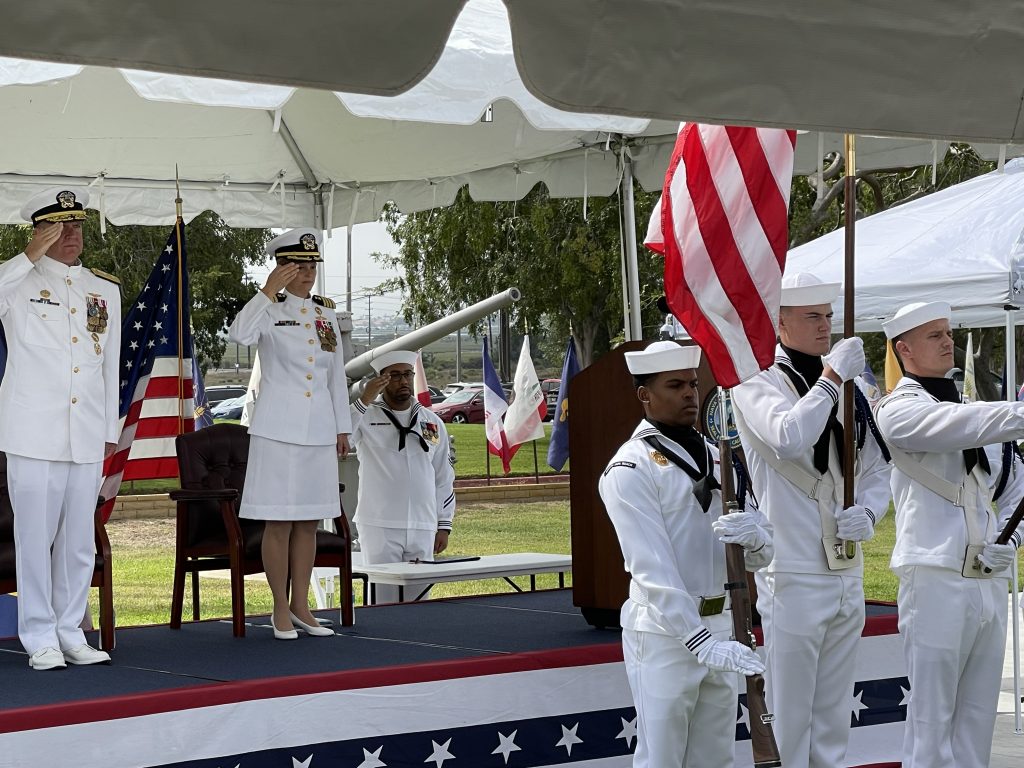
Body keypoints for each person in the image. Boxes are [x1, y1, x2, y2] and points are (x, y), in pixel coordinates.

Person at [731, 272, 892, 767]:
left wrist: (867, 509)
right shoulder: (755, 382)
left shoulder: (846, 389)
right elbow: (789, 436)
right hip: (793, 569)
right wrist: (831, 380)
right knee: (792, 720)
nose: (825, 327)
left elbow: (877, 467)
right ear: (780, 323)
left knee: (832, 722)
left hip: (845, 569)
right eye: (812, 318)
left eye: (827, 316)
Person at [598, 340, 774, 767]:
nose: (689, 394)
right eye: (675, 385)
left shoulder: (719, 458)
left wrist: (756, 537)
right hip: (666, 633)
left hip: (722, 626)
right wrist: (699, 641)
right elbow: (651, 567)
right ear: (645, 395)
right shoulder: (630, 468)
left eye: (693, 384)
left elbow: (763, 550)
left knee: (714, 758)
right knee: (663, 758)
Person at [875, 301, 1024, 768]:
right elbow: (956, 428)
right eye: (935, 334)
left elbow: (1017, 484)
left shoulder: (971, 411)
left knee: (976, 722)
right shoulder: (899, 410)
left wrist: (1010, 541)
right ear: (905, 349)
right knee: (931, 723)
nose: (948, 341)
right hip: (934, 576)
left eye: (948, 332)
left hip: (987, 579)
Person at [0, 187, 121, 669]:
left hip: (86, 428)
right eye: (60, 226)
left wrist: (109, 426)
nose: (72, 235)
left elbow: (107, 363)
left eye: (77, 226)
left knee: (77, 541)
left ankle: (71, 631)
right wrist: (28, 255)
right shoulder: (20, 280)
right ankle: (38, 636)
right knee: (35, 537)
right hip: (33, 430)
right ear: (40, 231)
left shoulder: (103, 288)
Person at [228, 229, 352, 641]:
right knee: (278, 523)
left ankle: (302, 604)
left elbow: (335, 377)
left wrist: (341, 427)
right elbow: (239, 334)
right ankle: (279, 608)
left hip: (317, 430)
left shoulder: (326, 314)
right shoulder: (268, 309)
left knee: (308, 521)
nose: (307, 272)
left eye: (312, 264)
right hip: (277, 430)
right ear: (282, 267)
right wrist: (266, 292)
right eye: (298, 264)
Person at [350, 350, 455, 604]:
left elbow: (443, 475)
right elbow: (337, 437)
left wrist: (444, 524)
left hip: (423, 524)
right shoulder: (366, 416)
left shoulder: (430, 421)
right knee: (383, 599)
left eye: (407, 374)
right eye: (394, 376)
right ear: (381, 380)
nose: (403, 381)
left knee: (418, 600)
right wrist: (363, 400)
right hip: (380, 524)